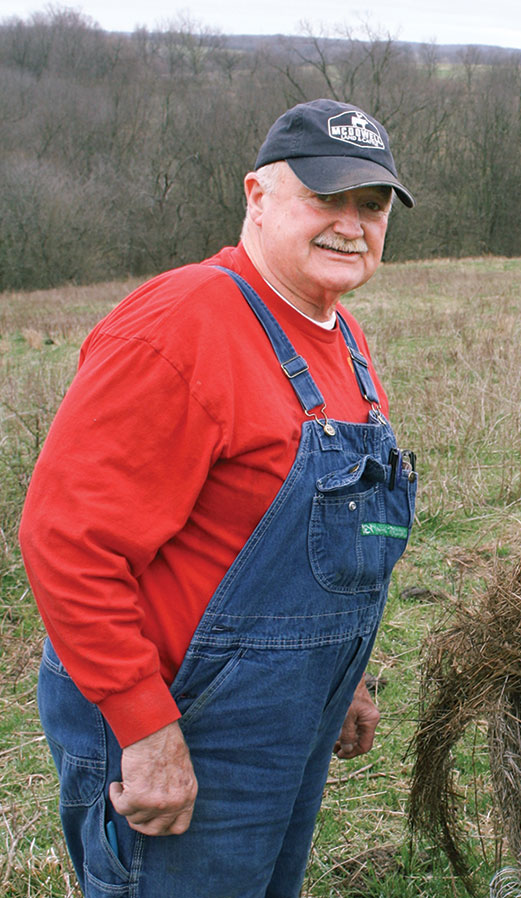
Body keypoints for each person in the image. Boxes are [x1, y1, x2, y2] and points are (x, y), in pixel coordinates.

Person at [19, 98, 418, 897]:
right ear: (257, 197)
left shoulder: (341, 334)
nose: (350, 223)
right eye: (324, 197)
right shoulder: (184, 321)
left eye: (370, 206)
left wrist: (347, 682)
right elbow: (66, 540)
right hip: (186, 732)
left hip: (287, 731)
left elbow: (323, 544)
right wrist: (146, 727)